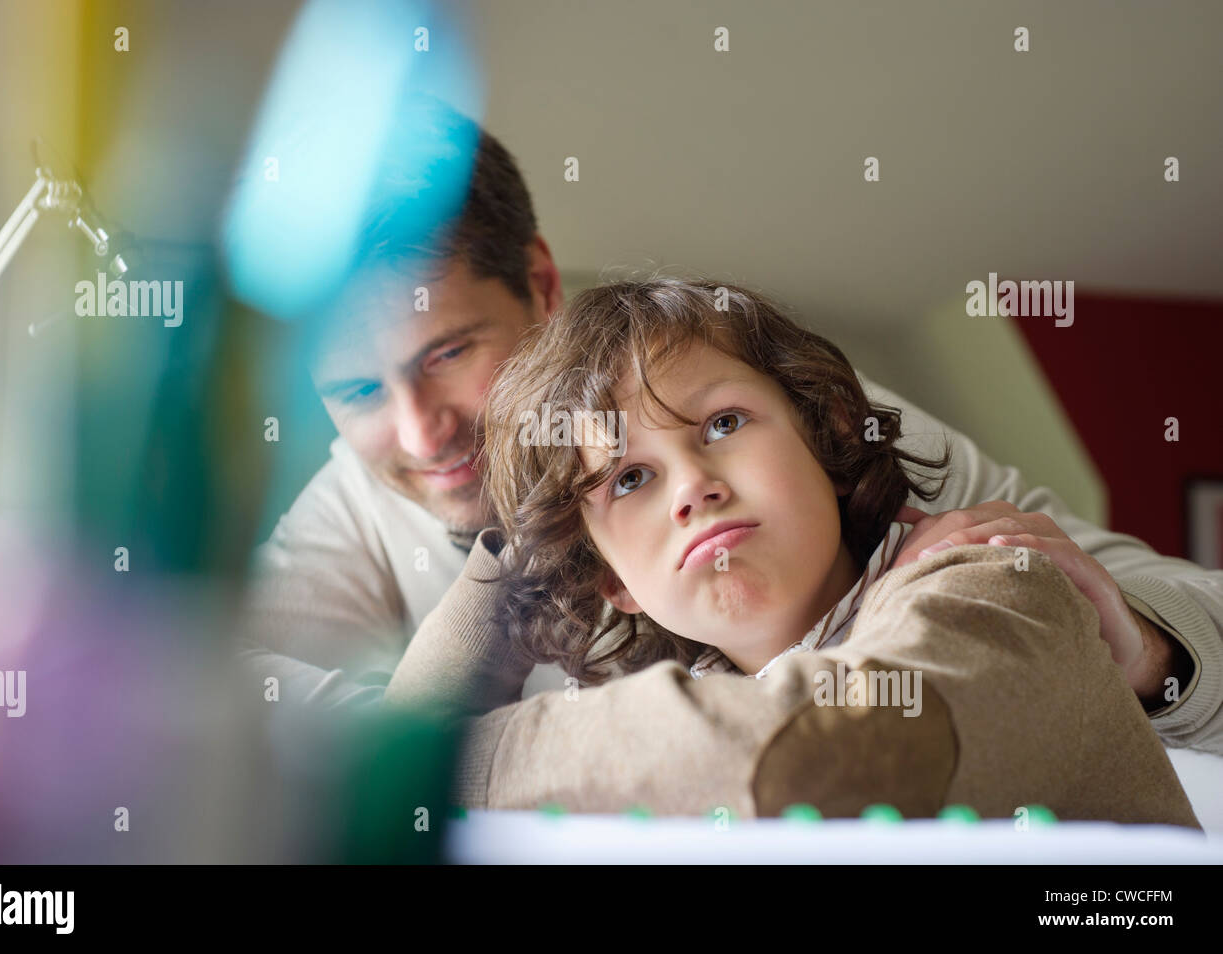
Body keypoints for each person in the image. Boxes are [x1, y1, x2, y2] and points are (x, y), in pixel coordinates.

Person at [240, 97, 1222, 755]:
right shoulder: (348, 511)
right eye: (356, 391)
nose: (422, 436)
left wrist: (1145, 653)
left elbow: (1176, 607)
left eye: (449, 352)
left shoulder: (787, 411)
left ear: (538, 282)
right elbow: (217, 710)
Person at [381, 278, 1200, 824]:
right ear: (610, 581)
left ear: (829, 435)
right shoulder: (694, 713)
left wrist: (445, 766)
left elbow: (824, 750)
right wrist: (521, 556)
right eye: (629, 479)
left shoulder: (987, 582)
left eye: (723, 424)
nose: (691, 487)